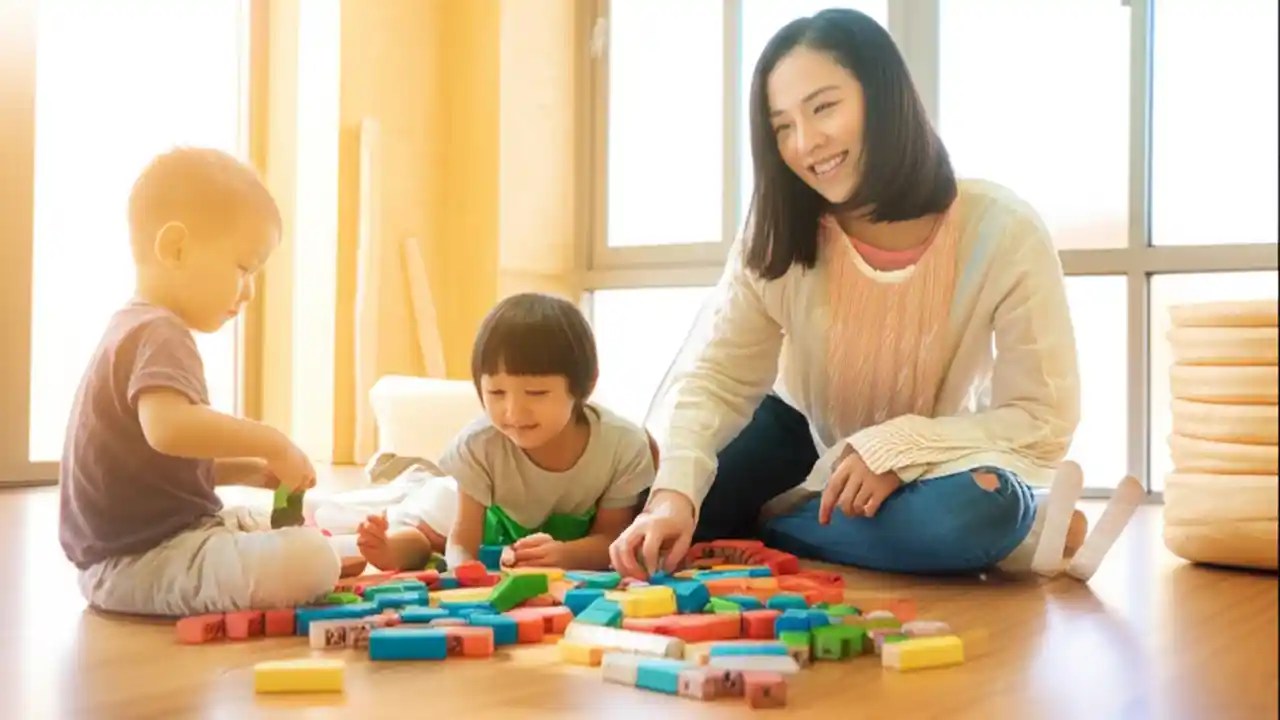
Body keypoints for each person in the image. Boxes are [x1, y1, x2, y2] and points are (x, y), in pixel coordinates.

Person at [609, 9, 1097, 579]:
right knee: (664, 506)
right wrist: (673, 498)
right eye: (782, 126)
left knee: (984, 506)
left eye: (823, 108)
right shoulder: (778, 234)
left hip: (936, 458)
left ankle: (777, 525)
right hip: (796, 441)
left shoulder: (1004, 229)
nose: (806, 143)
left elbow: (1042, 414)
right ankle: (789, 516)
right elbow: (715, 379)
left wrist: (899, 448)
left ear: (883, 97)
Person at [60, 147, 339, 616]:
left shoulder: (133, 326)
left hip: (128, 554)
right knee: (311, 559)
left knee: (267, 523)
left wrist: (249, 470)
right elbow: (168, 430)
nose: (249, 291)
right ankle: (326, 550)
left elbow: (154, 469)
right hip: (138, 561)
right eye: (242, 268)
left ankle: (327, 541)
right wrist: (272, 442)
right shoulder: (160, 331)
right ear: (176, 249)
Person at [354, 293, 657, 572]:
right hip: (467, 509)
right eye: (497, 392)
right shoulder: (478, 445)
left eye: (537, 393)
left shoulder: (622, 446)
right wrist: (465, 576)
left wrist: (565, 555)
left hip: (548, 534)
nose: (513, 412)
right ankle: (389, 534)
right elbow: (461, 541)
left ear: (585, 386)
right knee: (426, 536)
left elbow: (611, 538)